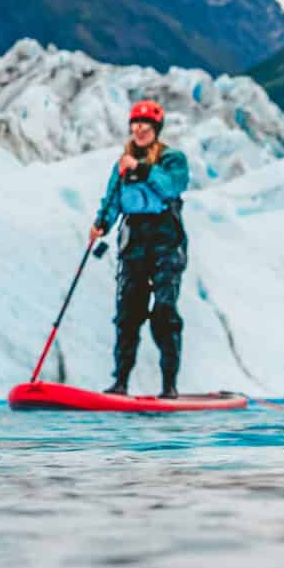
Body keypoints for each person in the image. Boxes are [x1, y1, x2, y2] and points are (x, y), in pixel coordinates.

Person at [91, 99, 191, 396]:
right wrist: (101, 223)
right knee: (128, 314)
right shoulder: (121, 165)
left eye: (146, 124)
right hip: (133, 239)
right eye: (136, 123)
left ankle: (169, 385)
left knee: (164, 311)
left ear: (156, 129)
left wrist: (142, 168)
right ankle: (120, 381)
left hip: (165, 240)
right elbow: (112, 198)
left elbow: (174, 186)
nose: (140, 129)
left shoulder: (172, 159)